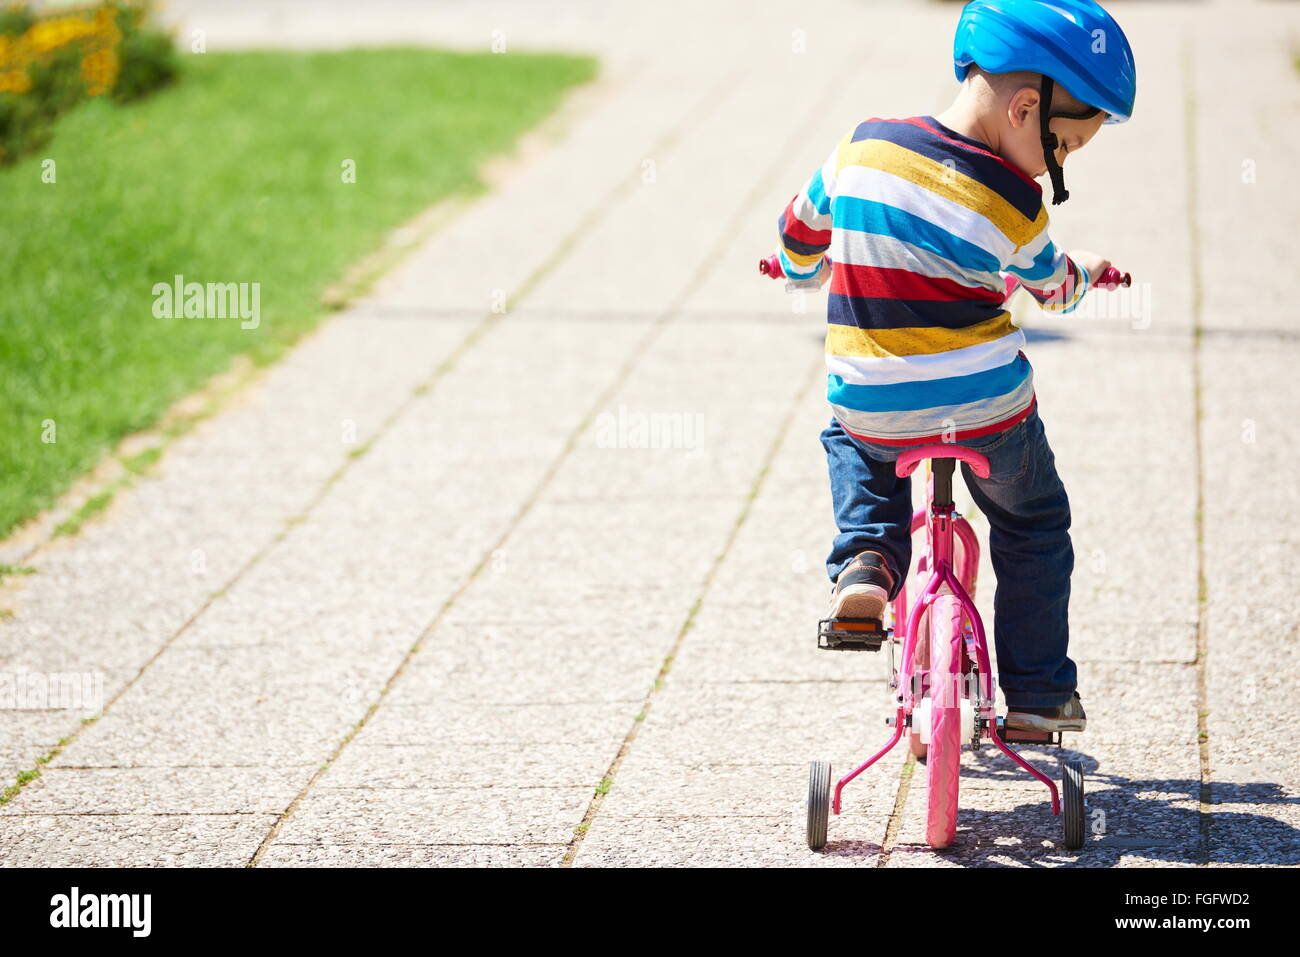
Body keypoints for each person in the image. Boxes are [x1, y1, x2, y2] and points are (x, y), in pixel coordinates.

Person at [774, 0, 1136, 732]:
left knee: (852, 437)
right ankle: (1036, 697)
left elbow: (797, 236)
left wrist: (793, 265)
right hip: (986, 413)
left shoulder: (861, 149)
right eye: (1062, 145)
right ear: (1026, 106)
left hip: (875, 405)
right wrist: (1087, 272)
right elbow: (1053, 287)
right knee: (1033, 522)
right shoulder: (1017, 206)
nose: (1057, 163)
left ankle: (867, 565)